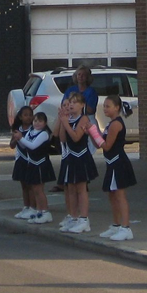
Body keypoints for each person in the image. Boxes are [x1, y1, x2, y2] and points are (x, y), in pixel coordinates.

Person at [57, 90, 97, 233]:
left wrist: (65, 123)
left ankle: (84, 219)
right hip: (71, 157)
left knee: (81, 188)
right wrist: (63, 121)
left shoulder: (84, 119)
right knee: (71, 189)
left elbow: (76, 137)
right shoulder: (69, 119)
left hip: (81, 156)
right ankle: (73, 217)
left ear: (82, 105)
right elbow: (62, 139)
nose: (71, 105)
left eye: (75, 102)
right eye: (70, 102)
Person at [99, 95, 136, 241]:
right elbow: (100, 144)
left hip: (118, 162)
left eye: (108, 106)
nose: (105, 109)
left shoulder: (116, 124)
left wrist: (94, 133)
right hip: (111, 163)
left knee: (120, 196)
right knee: (112, 195)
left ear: (117, 108)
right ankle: (115, 225)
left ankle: (126, 228)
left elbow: (107, 145)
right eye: (104, 106)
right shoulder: (110, 124)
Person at [18, 112, 55, 224]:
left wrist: (21, 138)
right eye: (35, 121)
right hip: (32, 163)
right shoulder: (31, 131)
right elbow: (24, 145)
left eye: (40, 121)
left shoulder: (44, 134)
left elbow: (33, 146)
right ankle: (39, 211)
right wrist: (18, 139)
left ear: (45, 123)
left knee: (39, 190)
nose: (37, 123)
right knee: (34, 189)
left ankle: (45, 212)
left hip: (40, 163)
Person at [10, 106, 35, 217]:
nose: (28, 117)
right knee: (24, 185)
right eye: (25, 115)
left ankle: (33, 207)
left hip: (30, 159)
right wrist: (15, 139)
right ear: (20, 117)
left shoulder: (34, 130)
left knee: (31, 185)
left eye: (30, 115)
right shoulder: (17, 130)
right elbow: (11, 145)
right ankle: (26, 206)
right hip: (20, 159)